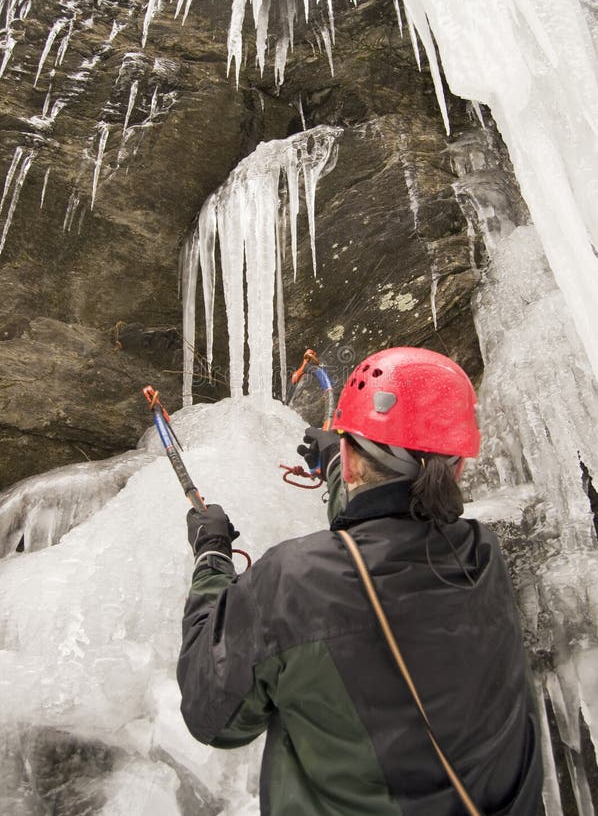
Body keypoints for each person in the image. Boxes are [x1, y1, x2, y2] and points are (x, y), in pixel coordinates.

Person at [177, 347, 543, 815]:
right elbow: (386, 537)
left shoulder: (290, 583)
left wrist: (211, 558)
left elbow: (211, 713)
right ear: (459, 466)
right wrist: (340, 468)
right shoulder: (482, 553)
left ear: (352, 462)